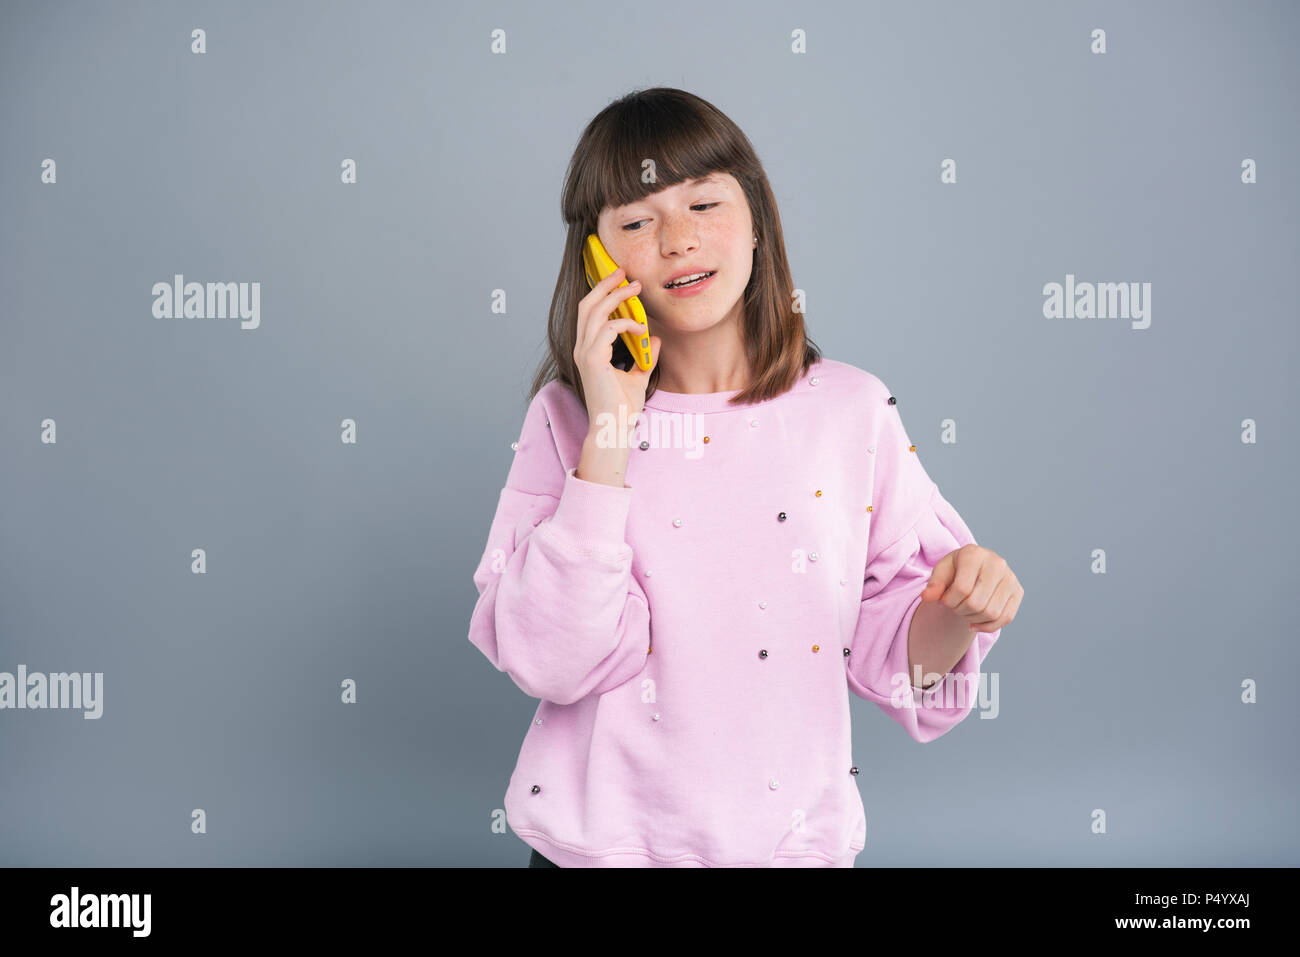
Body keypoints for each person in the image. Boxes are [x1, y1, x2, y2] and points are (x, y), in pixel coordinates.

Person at [468, 88, 1023, 868]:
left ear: (756, 220)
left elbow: (899, 664)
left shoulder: (853, 412)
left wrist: (962, 609)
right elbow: (554, 660)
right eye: (636, 221)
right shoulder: (567, 422)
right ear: (596, 257)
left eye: (704, 203)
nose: (678, 240)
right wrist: (612, 426)